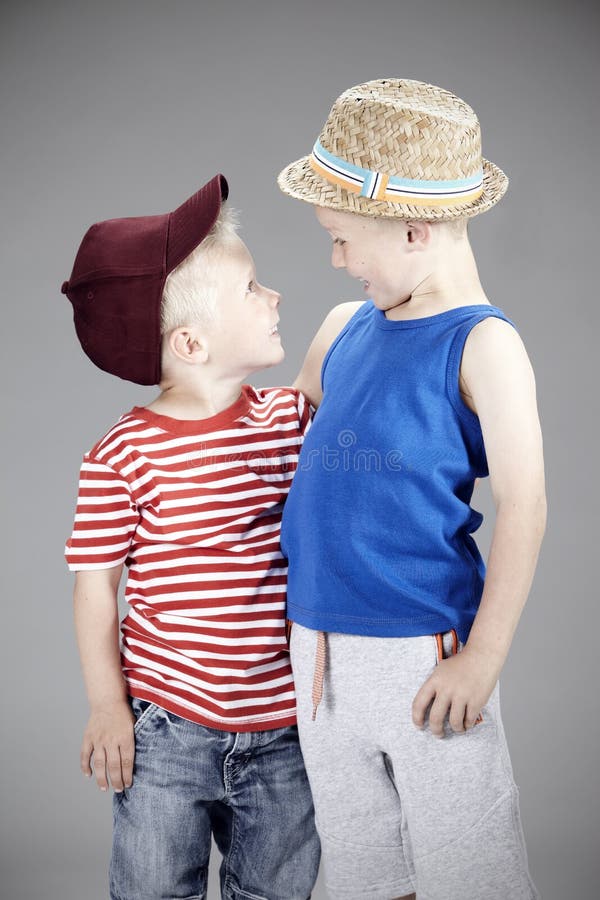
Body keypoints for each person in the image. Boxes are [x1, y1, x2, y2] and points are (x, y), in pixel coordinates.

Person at [277, 79, 546, 900]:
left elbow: (526, 506)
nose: (334, 260)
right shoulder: (340, 329)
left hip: (422, 655)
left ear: (414, 228)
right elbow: (285, 447)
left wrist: (486, 659)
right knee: (361, 862)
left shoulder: (484, 345)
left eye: (341, 239)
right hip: (317, 651)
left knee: (467, 864)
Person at [62, 175, 320, 900]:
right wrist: (108, 705)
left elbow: (342, 365)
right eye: (252, 288)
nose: (274, 298)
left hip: (283, 729)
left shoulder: (288, 422)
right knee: (151, 889)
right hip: (168, 727)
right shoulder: (121, 455)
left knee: (276, 892)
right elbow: (94, 591)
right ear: (191, 342)